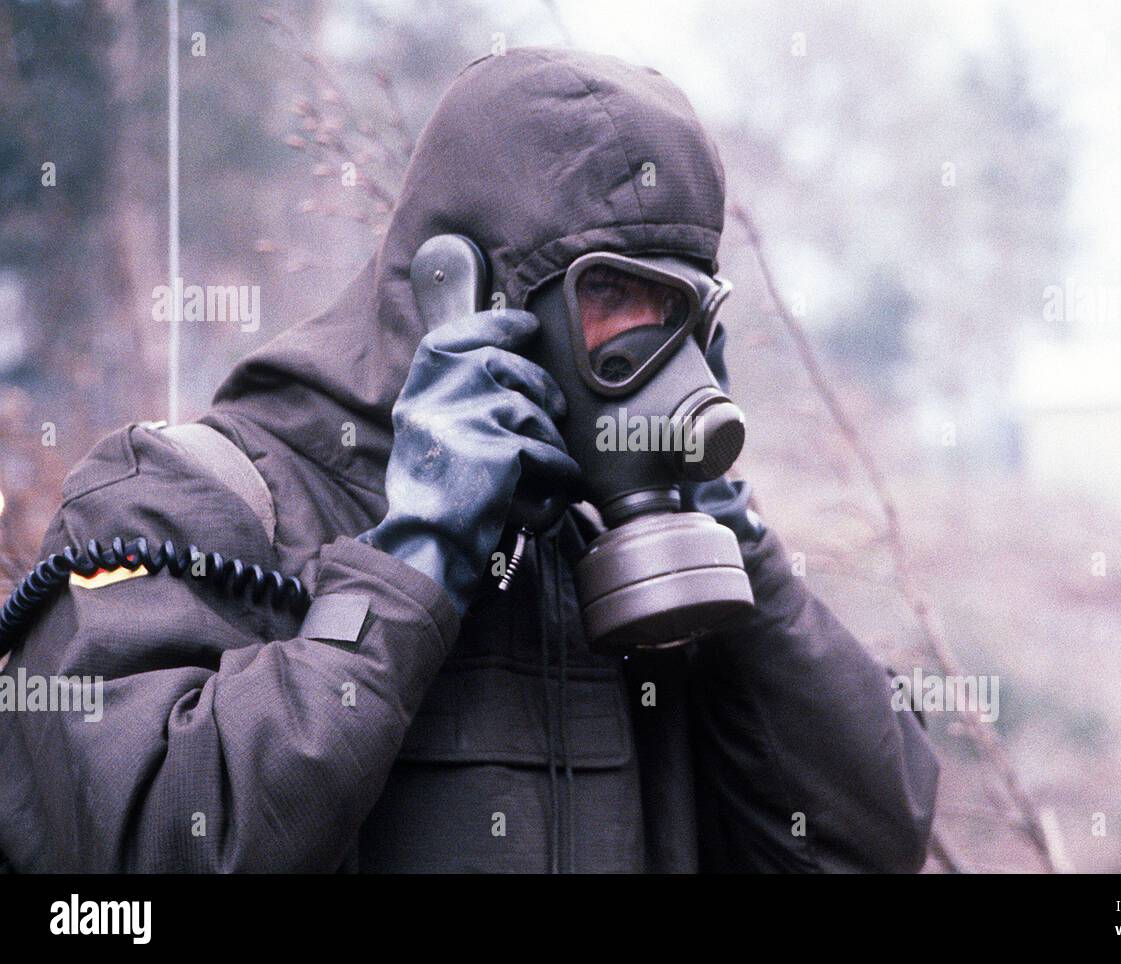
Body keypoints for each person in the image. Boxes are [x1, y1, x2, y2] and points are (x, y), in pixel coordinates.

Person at [0, 47, 938, 873]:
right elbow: (140, 858)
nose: (659, 352)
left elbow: (863, 842)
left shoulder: (610, 566)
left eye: (685, 312)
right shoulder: (189, 501)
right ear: (459, 288)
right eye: (617, 296)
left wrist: (734, 541)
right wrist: (415, 563)